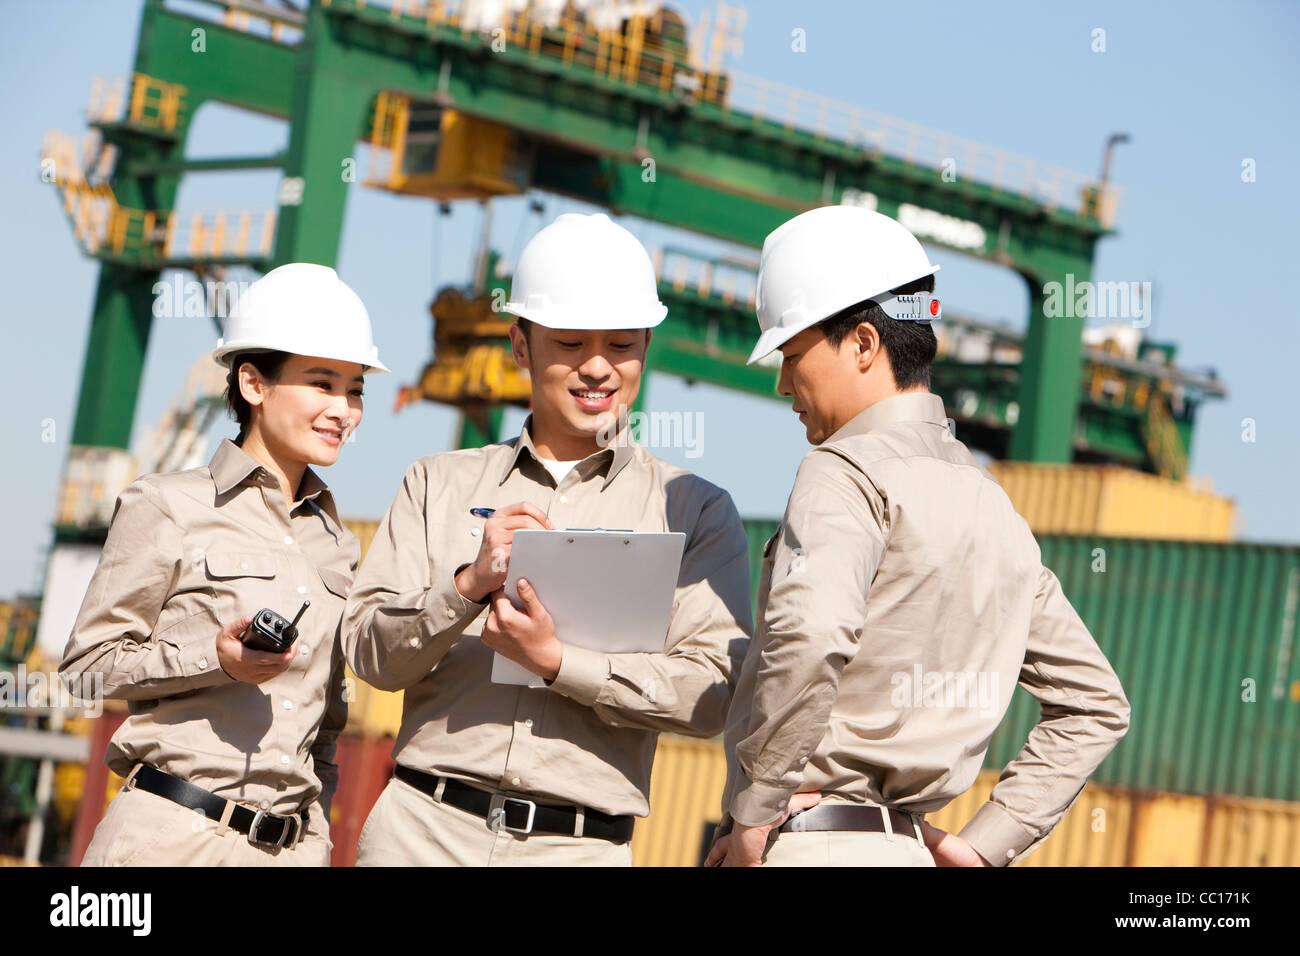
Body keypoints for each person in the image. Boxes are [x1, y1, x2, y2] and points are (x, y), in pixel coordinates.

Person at [706, 205, 1131, 867]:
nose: (785, 384)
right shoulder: (993, 506)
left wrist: (754, 817)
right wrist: (986, 845)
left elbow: (813, 634)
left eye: (792, 355)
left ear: (865, 344)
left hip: (811, 844)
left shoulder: (841, 472)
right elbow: (1097, 705)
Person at [343, 212, 752, 866]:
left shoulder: (696, 513)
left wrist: (559, 663)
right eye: (569, 343)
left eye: (620, 345)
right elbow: (369, 655)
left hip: (578, 850)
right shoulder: (435, 483)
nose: (597, 367)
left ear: (646, 346)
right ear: (519, 345)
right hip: (422, 833)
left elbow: (714, 695)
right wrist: (466, 588)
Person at [61, 263, 387, 866]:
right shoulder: (166, 505)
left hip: (288, 851)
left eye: (356, 388)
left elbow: (328, 720)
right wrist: (216, 659)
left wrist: (314, 838)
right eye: (322, 383)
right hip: (172, 837)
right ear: (253, 384)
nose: (344, 409)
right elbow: (86, 670)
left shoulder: (336, 542)